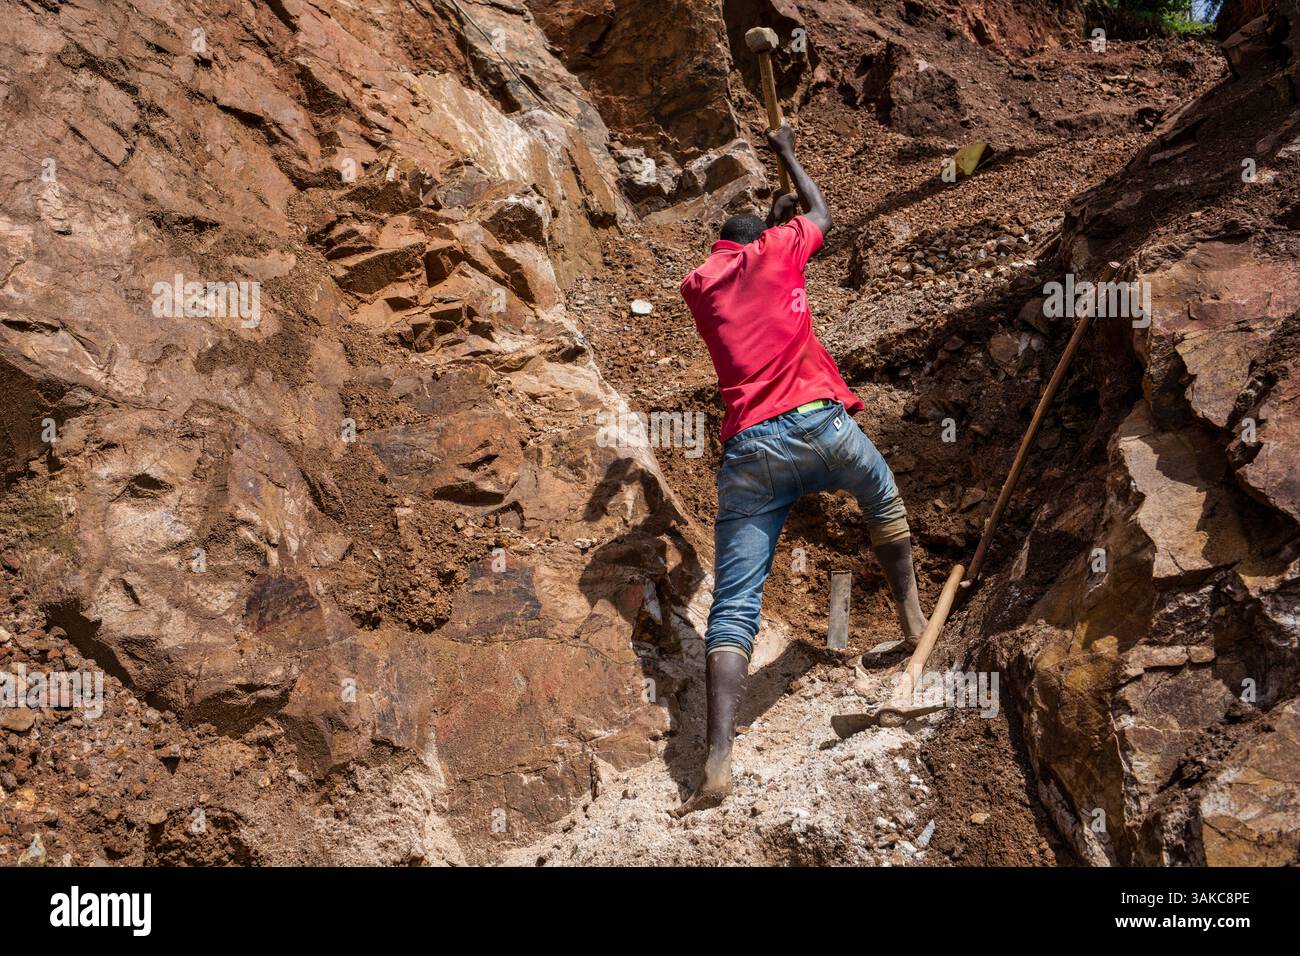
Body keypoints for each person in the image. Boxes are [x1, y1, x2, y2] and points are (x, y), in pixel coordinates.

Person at [674, 124, 926, 815]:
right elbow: (824, 215)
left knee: (733, 607)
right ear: (765, 237)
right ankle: (911, 622)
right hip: (821, 424)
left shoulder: (699, 285)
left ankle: (718, 762)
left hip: (751, 452)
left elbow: (755, 256)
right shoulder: (782, 249)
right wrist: (787, 149)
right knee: (881, 497)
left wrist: (770, 228)